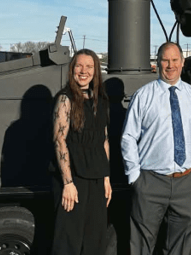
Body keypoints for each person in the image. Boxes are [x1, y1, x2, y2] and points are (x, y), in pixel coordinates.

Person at [121, 41, 191, 255]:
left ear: (182, 63)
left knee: (180, 248)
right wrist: (135, 176)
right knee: (141, 246)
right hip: (150, 182)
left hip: (187, 182)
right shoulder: (143, 96)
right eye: (165, 60)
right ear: (158, 62)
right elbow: (128, 137)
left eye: (174, 60)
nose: (170, 65)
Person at [51, 49, 112, 255]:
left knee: (95, 241)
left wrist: (106, 178)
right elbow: (59, 141)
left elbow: (103, 140)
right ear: (72, 69)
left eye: (89, 66)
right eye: (79, 66)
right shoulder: (65, 99)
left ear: (96, 70)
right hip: (73, 178)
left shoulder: (100, 99)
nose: (83, 71)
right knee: (69, 241)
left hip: (96, 176)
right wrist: (68, 183)